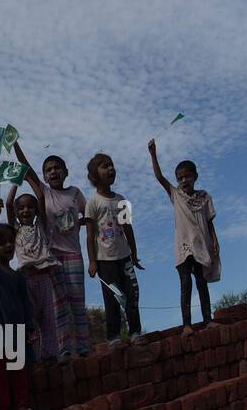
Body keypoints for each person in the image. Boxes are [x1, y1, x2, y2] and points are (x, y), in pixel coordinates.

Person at [17, 140, 90, 358]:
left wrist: (86, 222)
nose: (53, 171)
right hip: (51, 257)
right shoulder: (44, 192)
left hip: (74, 254)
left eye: (57, 167)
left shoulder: (75, 194)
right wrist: (15, 145)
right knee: (58, 306)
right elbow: (26, 168)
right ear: (45, 176)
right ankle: (65, 350)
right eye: (48, 170)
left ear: (66, 171)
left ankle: (84, 348)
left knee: (77, 301)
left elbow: (89, 215)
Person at [149, 139, 220, 332]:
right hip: (183, 247)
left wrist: (215, 241)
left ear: (195, 176)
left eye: (187, 177)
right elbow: (160, 177)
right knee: (185, 284)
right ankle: (187, 325)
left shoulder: (204, 197)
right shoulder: (176, 195)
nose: (183, 181)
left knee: (201, 282)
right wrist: (153, 154)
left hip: (200, 246)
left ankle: (208, 319)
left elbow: (209, 222)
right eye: (179, 178)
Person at [0, 200, 37, 410]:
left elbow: (26, 304)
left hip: (18, 332)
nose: (7, 247)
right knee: (0, 373)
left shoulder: (17, 276)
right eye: (1, 243)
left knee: (20, 372)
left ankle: (22, 406)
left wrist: (30, 328)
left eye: (10, 243)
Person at [84, 153, 143, 344]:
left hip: (124, 257)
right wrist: (92, 261)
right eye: (104, 166)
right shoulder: (92, 203)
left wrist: (134, 254)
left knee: (132, 295)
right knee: (113, 298)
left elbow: (128, 229)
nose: (110, 169)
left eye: (111, 165)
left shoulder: (122, 200)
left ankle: (135, 332)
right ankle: (114, 336)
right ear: (94, 176)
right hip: (104, 260)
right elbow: (90, 235)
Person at [5, 176, 59, 362]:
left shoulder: (41, 226)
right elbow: (8, 203)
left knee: (48, 319)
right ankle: (34, 357)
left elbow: (42, 198)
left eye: (30, 207)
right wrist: (16, 181)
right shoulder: (15, 229)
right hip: (26, 280)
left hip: (43, 278)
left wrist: (30, 180)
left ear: (36, 211)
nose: (25, 210)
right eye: (22, 208)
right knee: (31, 321)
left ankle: (50, 355)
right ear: (17, 213)